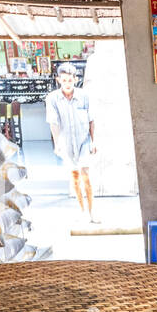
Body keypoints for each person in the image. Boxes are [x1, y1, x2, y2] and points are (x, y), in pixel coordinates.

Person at [45, 62, 98, 223]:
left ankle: (92, 212)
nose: (67, 83)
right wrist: (57, 143)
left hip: (84, 141)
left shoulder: (84, 96)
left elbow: (91, 120)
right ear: (58, 80)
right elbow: (53, 123)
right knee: (75, 176)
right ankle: (82, 211)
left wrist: (94, 141)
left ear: (75, 79)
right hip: (66, 142)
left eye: (70, 80)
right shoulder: (52, 98)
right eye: (64, 80)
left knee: (86, 175)